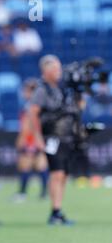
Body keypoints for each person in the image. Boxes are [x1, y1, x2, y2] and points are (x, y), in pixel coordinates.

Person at [29, 55, 78, 225]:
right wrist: (38, 137)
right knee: (56, 173)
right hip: (51, 137)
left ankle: (58, 209)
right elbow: (33, 113)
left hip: (64, 136)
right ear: (46, 70)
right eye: (56, 69)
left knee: (63, 174)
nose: (59, 72)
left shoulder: (58, 88)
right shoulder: (42, 89)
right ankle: (55, 211)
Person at [14, 78, 48, 202]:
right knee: (40, 165)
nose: (24, 93)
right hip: (39, 139)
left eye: (26, 91)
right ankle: (44, 193)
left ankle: (22, 193)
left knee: (26, 165)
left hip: (31, 140)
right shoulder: (40, 105)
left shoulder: (30, 107)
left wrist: (22, 140)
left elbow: (27, 126)